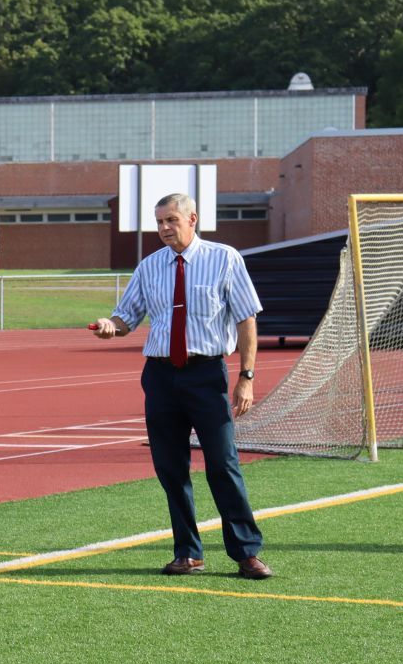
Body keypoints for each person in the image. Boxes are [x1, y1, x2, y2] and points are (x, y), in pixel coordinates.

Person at [91, 192, 272, 580]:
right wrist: (110, 326)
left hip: (206, 374)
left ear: (192, 219)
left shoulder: (225, 259)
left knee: (223, 464)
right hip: (160, 377)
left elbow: (246, 319)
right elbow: (126, 318)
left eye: (171, 220)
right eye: (159, 222)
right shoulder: (149, 266)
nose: (164, 228)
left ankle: (246, 553)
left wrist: (246, 377)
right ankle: (188, 553)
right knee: (171, 469)